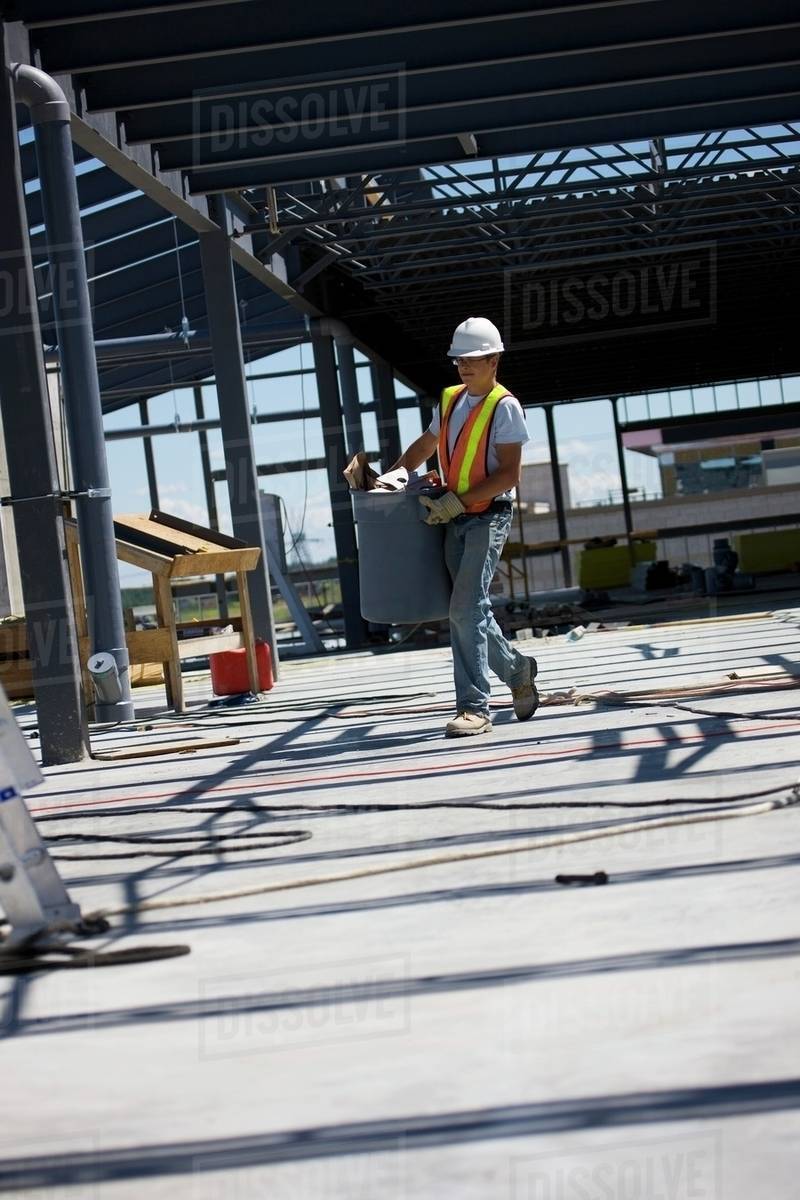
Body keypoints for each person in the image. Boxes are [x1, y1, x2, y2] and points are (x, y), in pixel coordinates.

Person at [393, 317, 538, 737]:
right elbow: (425, 444)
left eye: (473, 359)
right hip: (454, 515)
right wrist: (396, 474)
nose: (463, 366)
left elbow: (509, 474)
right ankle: (518, 670)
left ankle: (474, 708)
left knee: (463, 609)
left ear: (494, 360)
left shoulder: (505, 406)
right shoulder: (451, 400)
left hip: (488, 516)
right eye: (459, 359)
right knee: (469, 611)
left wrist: (461, 499)